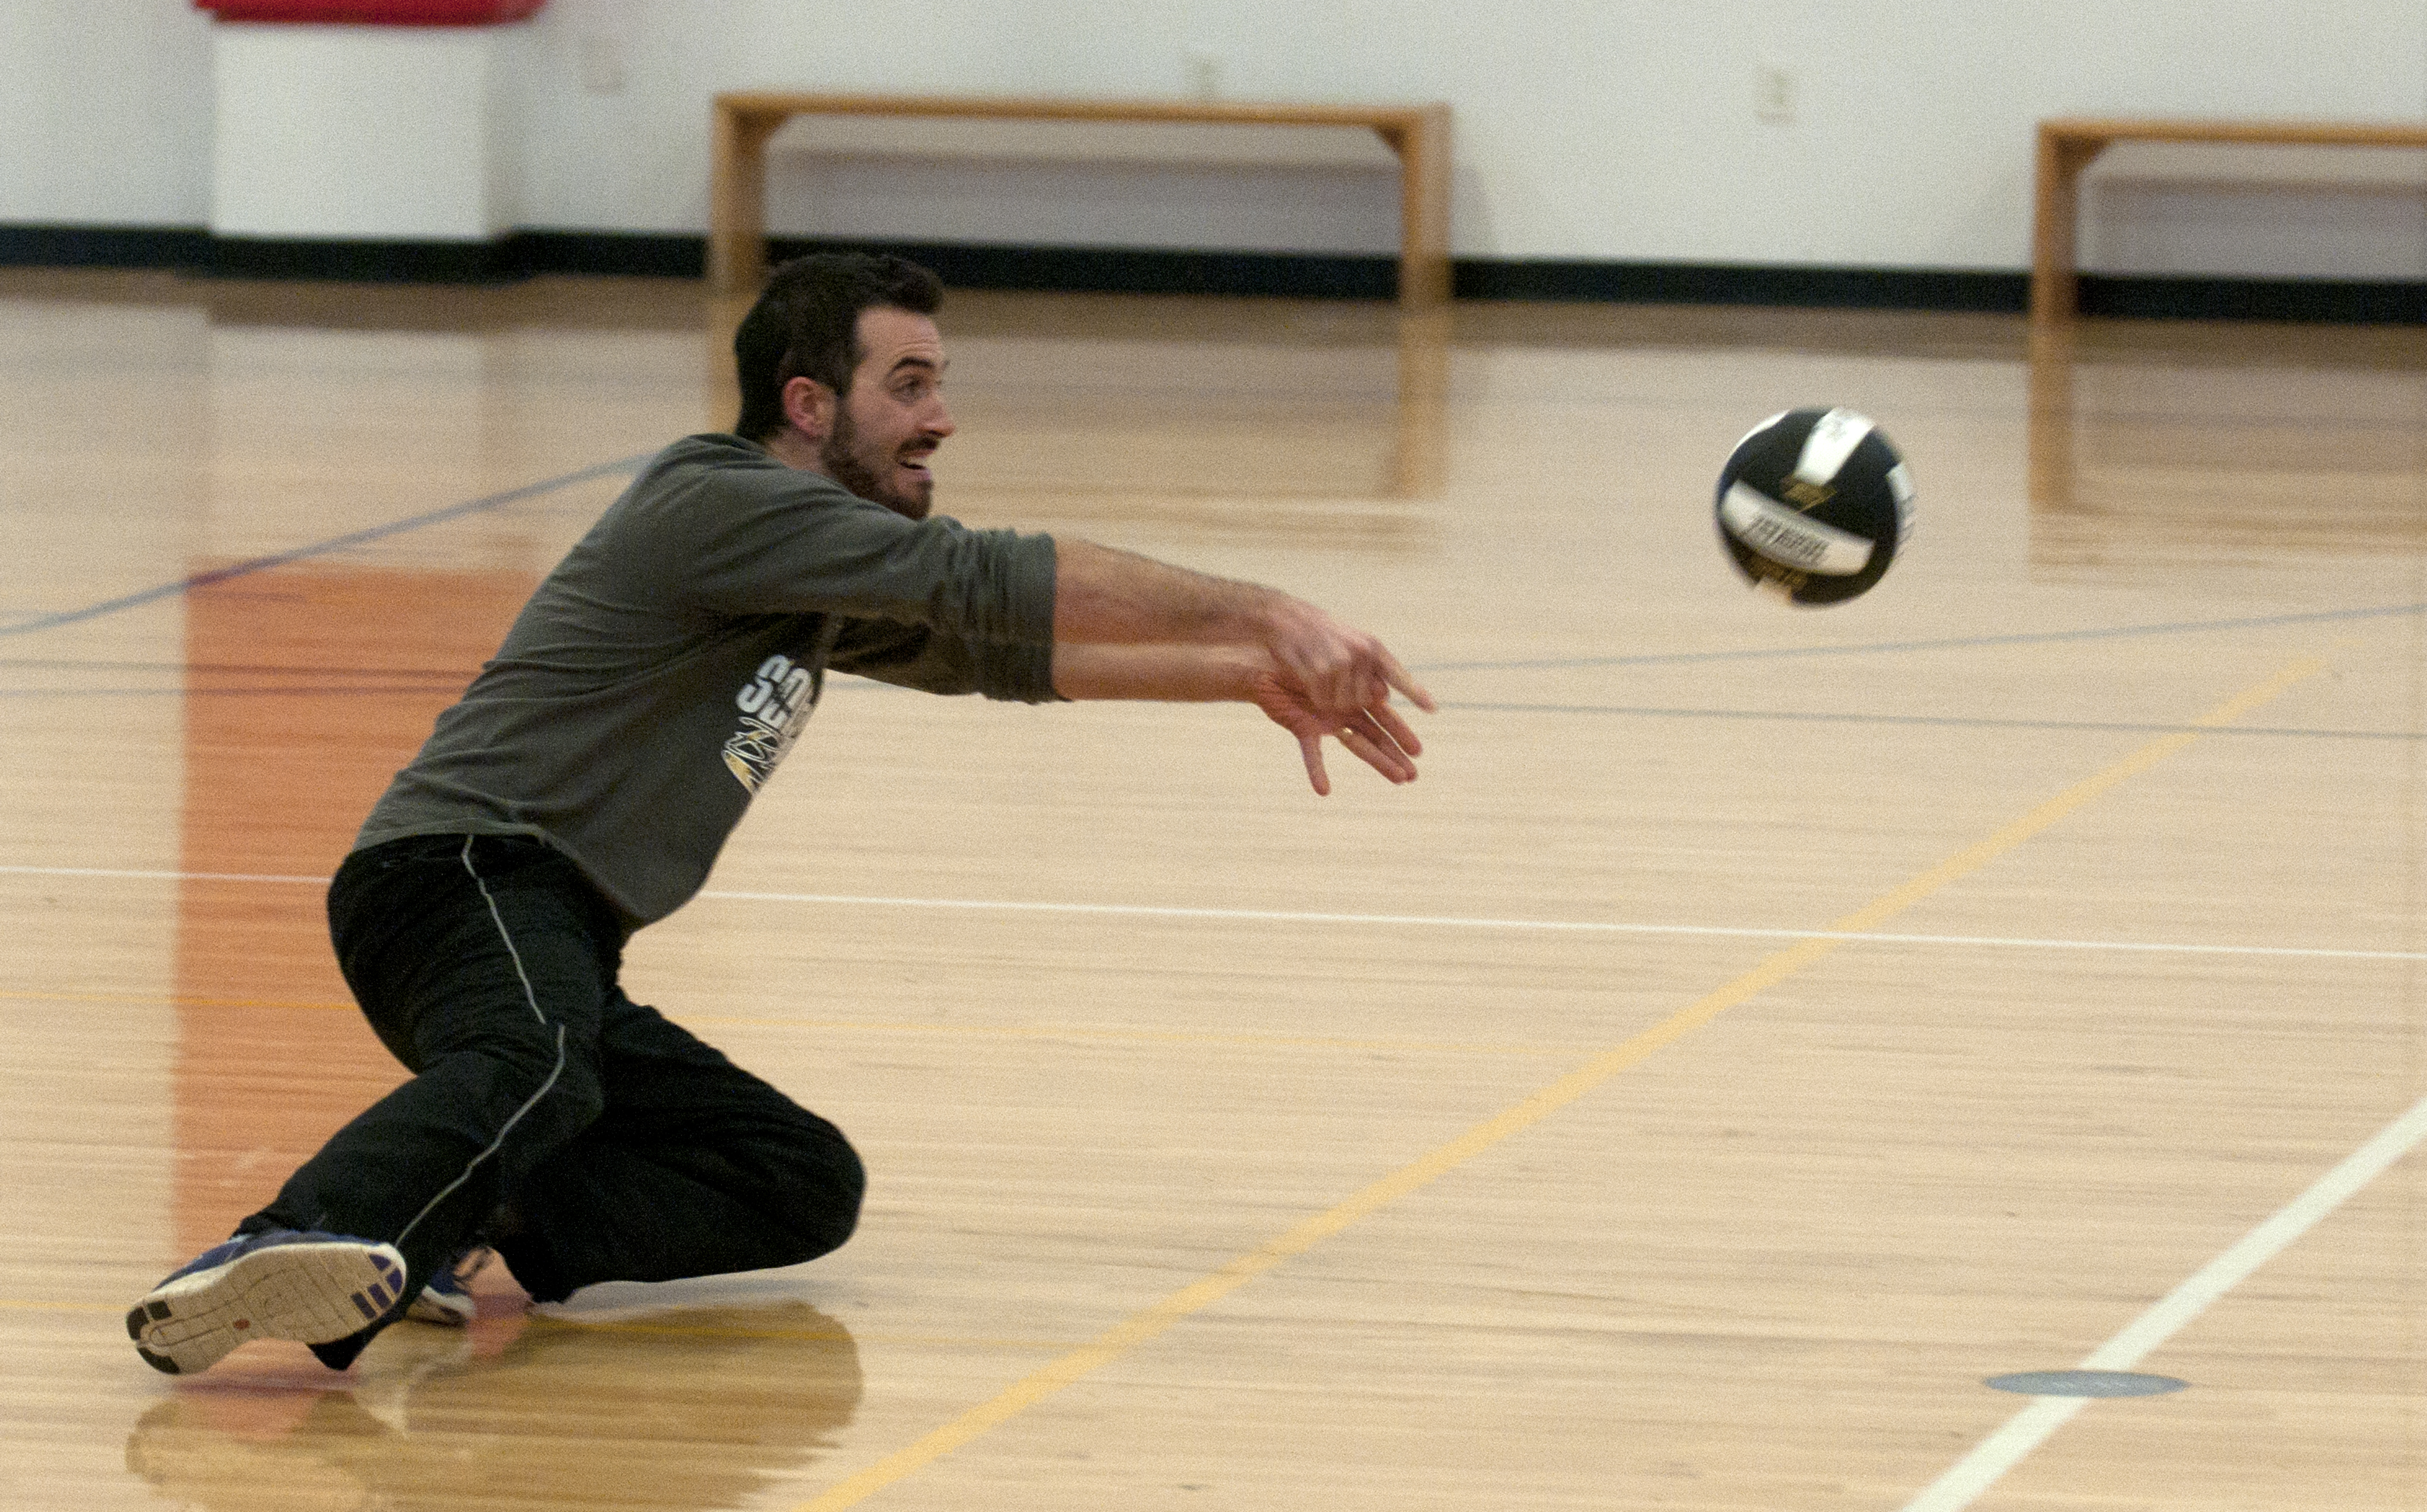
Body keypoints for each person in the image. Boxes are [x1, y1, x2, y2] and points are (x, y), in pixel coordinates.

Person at [127, 253, 1431, 1376]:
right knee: (536, 1063)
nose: (942, 419)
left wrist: (1247, 678)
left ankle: (459, 1227)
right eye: (908, 386)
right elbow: (980, 572)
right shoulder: (719, 503)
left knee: (794, 1177)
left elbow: (993, 648)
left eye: (939, 386)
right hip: (459, 873)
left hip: (560, 926)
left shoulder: (803, 572)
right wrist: (1265, 610)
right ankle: (285, 1242)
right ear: (809, 405)